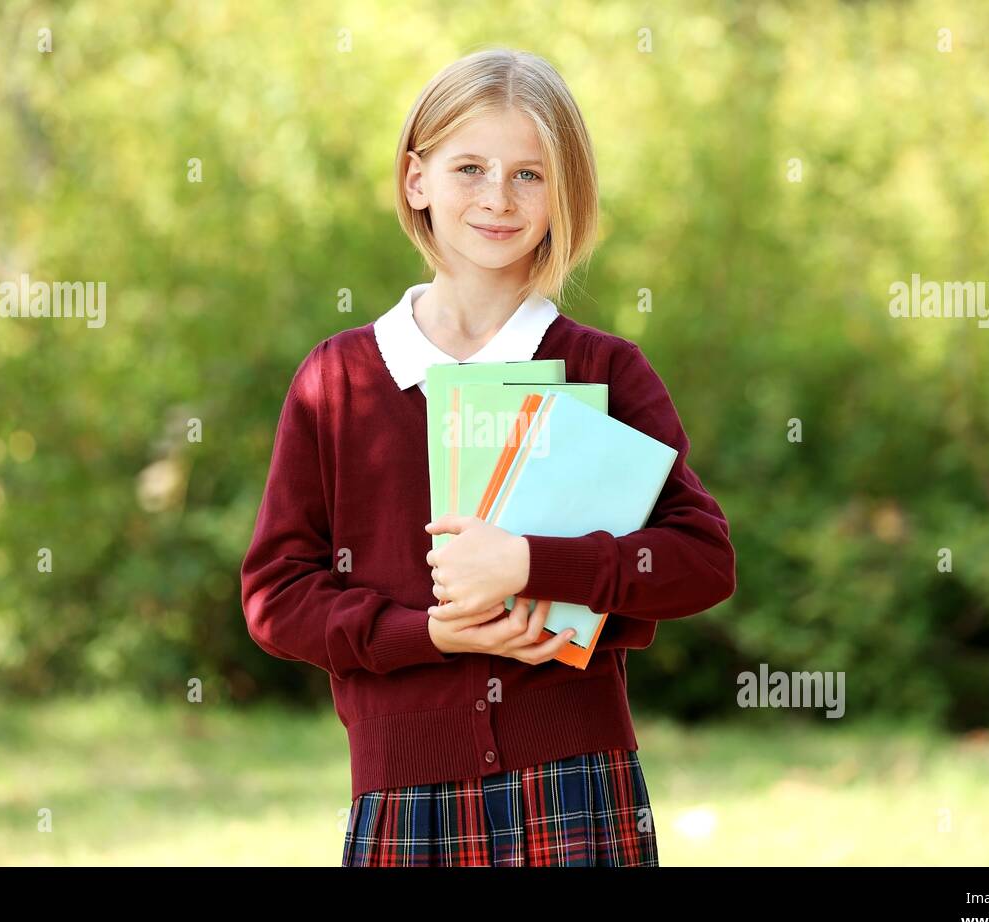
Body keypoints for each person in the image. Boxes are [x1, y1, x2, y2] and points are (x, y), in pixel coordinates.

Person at [240, 47, 735, 866]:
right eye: (469, 167)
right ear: (416, 182)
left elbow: (703, 561)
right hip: (400, 798)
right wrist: (426, 633)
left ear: (563, 192)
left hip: (578, 781)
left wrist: (531, 563)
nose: (497, 199)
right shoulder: (339, 381)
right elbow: (276, 596)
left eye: (529, 175)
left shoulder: (603, 369)